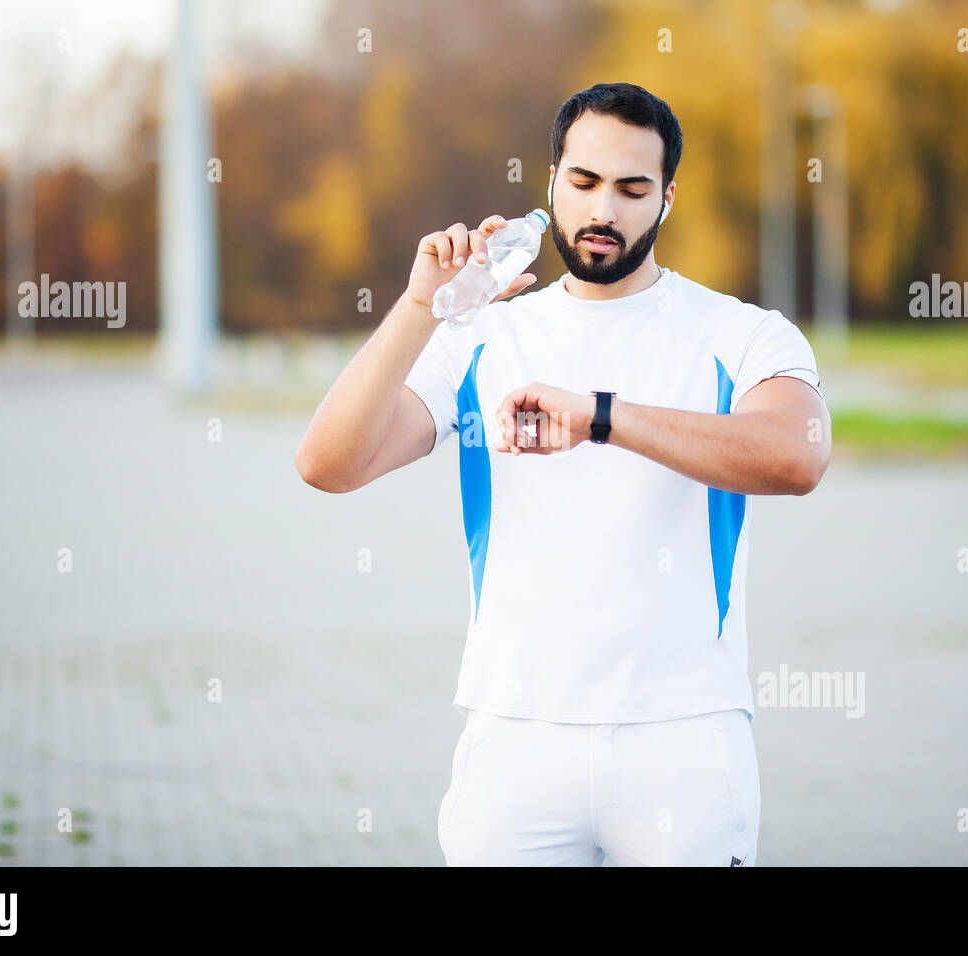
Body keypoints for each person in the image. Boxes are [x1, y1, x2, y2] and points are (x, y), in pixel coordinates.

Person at [295, 82, 831, 866]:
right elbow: (327, 463)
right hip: (512, 741)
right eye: (582, 183)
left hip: (681, 740)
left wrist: (599, 416)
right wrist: (419, 308)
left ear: (667, 198)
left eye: (632, 189)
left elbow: (797, 455)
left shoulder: (741, 333)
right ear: (550, 182)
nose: (603, 211)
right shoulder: (479, 331)